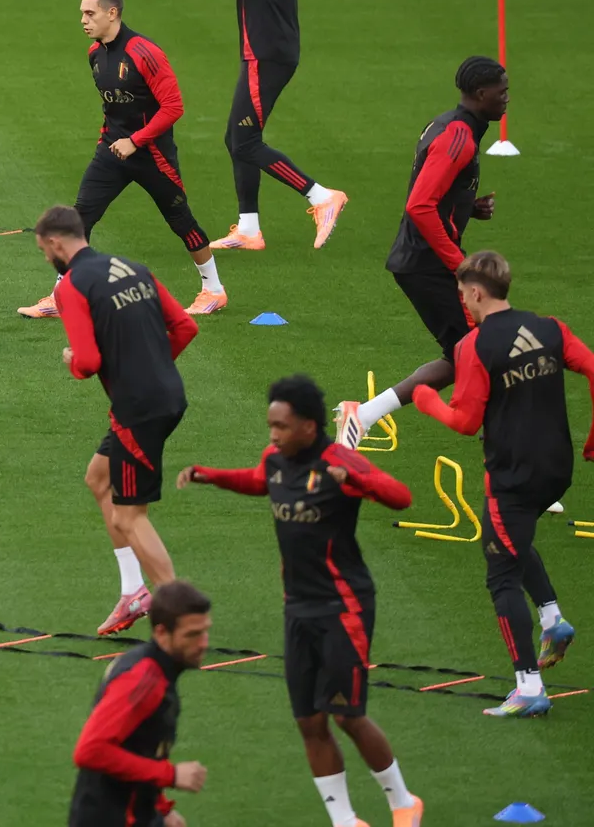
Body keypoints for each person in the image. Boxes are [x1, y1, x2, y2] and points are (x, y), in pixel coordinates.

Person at [178, 376, 423, 827]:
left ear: (309, 426)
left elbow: (402, 497)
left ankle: (403, 803)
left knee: (347, 716)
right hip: (298, 608)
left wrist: (357, 481)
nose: (273, 434)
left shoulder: (339, 461)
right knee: (310, 721)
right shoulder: (276, 460)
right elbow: (258, 481)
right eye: (271, 425)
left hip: (343, 608)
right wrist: (208, 475)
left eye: (281, 426)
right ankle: (345, 821)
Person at [411, 251, 594, 718]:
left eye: (463, 296)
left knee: (501, 574)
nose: (462, 305)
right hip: (556, 469)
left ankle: (529, 687)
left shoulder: (474, 347)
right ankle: (552, 619)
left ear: (475, 292)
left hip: (514, 473)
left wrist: (426, 398)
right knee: (511, 539)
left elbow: (466, 422)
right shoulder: (550, 328)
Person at [34, 205, 198, 635]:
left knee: (130, 516)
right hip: (164, 395)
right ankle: (133, 591)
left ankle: (177, 611)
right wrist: (155, 369)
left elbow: (87, 361)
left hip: (137, 409)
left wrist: (73, 362)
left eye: (43, 250)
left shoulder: (71, 286)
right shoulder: (132, 266)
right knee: (99, 478)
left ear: (54, 244)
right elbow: (184, 326)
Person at [20, 0, 227, 320]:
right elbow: (113, 109)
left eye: (90, 14)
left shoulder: (145, 52)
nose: (83, 21)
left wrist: (136, 140)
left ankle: (214, 290)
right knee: (81, 216)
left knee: (180, 219)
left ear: (112, 13)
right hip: (112, 152)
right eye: (82, 14)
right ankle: (62, 296)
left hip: (152, 155)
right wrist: (110, 141)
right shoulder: (95, 54)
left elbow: (173, 106)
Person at [336, 57, 509, 448]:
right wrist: (459, 264)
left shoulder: (449, 125)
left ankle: (361, 416)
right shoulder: (458, 137)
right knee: (486, 354)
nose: (507, 99)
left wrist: (468, 205)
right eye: (502, 91)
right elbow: (419, 205)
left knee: (461, 356)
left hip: (423, 259)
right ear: (481, 94)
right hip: (429, 264)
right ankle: (511, 463)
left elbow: (434, 194)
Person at [187, 0, 348, 250]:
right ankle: (247, 229)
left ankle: (321, 196)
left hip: (267, 54)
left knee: (244, 142)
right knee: (237, 136)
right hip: (269, 51)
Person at [68, 580, 211, 827]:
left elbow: (139, 747)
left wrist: (161, 809)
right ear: (161, 633)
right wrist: (172, 775)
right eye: (192, 635)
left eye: (204, 631)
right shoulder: (143, 680)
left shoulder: (157, 668)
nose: (203, 644)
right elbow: (90, 751)